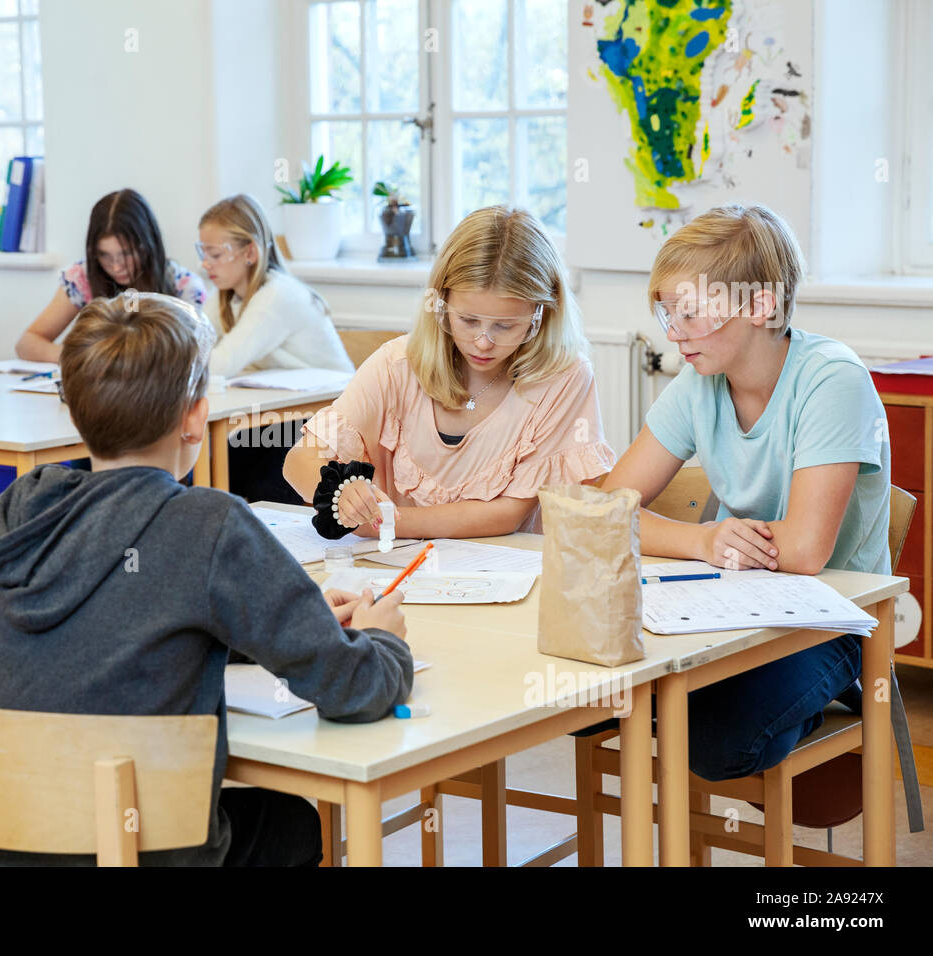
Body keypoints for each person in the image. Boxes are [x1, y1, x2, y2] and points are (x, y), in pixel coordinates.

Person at [0, 292, 413, 866]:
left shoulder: (28, 502)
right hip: (133, 850)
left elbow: (137, 611)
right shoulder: (209, 523)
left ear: (73, 412)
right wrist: (383, 639)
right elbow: (353, 689)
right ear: (197, 417)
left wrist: (273, 611)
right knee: (293, 820)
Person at [599, 203, 890, 780]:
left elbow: (807, 552)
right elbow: (606, 509)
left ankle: (796, 704)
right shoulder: (698, 380)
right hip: (730, 602)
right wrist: (705, 541)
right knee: (597, 693)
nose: (673, 332)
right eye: (666, 313)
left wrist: (705, 542)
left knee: (714, 743)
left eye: (689, 313)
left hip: (834, 617)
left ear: (759, 305)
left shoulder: (833, 379)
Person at [283, 204, 615, 539]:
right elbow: (299, 460)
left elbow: (507, 515)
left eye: (505, 326)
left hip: (506, 571)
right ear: (440, 304)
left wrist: (383, 523)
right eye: (468, 321)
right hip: (394, 571)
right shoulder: (397, 364)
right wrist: (338, 495)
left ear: (540, 315)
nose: (483, 343)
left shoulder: (564, 377)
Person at [15, 188, 205, 363]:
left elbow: (193, 356)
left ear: (148, 246)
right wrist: (81, 358)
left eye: (127, 254)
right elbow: (26, 343)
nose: (116, 267)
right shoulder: (82, 277)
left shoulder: (185, 288)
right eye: (104, 255)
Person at [198, 193, 352, 377]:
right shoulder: (224, 294)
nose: (205, 264)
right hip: (292, 398)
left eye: (215, 255)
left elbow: (220, 365)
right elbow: (192, 345)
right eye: (203, 253)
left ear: (250, 253)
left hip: (333, 399)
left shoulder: (278, 296)